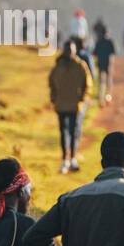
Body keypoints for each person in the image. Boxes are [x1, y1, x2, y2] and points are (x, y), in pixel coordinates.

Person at [49, 39, 92, 174]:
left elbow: (88, 84)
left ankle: (72, 158)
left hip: (75, 105)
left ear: (74, 51)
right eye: (67, 50)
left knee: (74, 131)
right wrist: (54, 99)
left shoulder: (80, 66)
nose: (69, 53)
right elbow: (51, 84)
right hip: (61, 104)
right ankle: (65, 159)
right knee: (63, 132)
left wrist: (82, 99)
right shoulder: (58, 66)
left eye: (71, 51)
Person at [94, 24, 117, 105]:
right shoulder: (110, 41)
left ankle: (101, 98)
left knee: (101, 82)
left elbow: (94, 53)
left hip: (101, 63)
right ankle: (108, 97)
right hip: (108, 63)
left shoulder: (99, 41)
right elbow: (113, 52)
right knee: (109, 81)